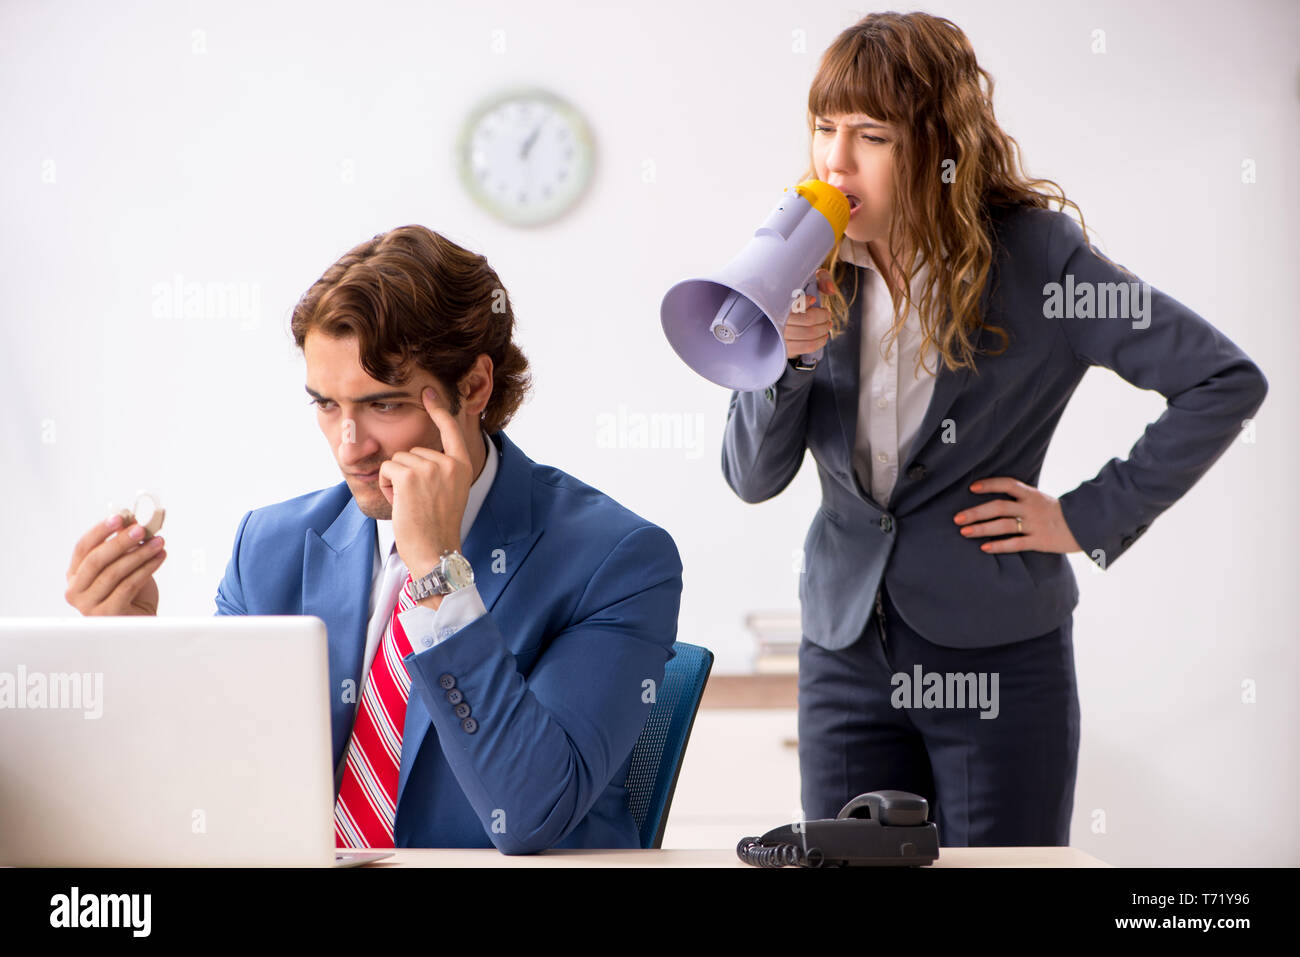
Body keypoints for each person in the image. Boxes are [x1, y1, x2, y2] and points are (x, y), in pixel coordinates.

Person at [721, 12, 1267, 845]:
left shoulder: (1040, 258)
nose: (834, 160)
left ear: (939, 141)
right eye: (825, 128)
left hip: (999, 660)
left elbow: (1222, 379)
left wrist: (1082, 518)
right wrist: (784, 358)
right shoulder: (803, 253)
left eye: (871, 135)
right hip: (842, 654)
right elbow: (752, 478)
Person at [64, 225, 684, 854]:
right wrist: (133, 655)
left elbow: (530, 814)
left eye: (383, 406)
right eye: (326, 405)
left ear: (472, 387)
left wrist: (438, 576)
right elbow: (211, 792)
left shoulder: (617, 560)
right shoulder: (270, 548)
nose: (349, 446)